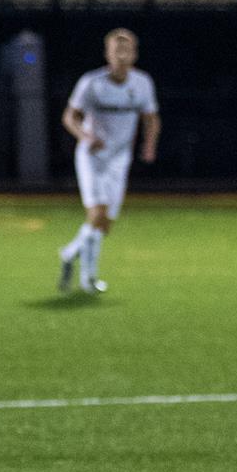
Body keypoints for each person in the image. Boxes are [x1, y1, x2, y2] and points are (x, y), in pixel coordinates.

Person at [57, 29, 160, 294]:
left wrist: (149, 145)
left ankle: (70, 253)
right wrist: (85, 136)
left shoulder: (142, 83)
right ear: (108, 54)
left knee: (105, 224)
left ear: (135, 54)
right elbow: (70, 117)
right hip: (92, 157)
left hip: (119, 159)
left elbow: (151, 118)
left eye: (127, 50)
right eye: (117, 50)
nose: (122, 56)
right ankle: (88, 279)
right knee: (97, 214)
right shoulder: (92, 83)